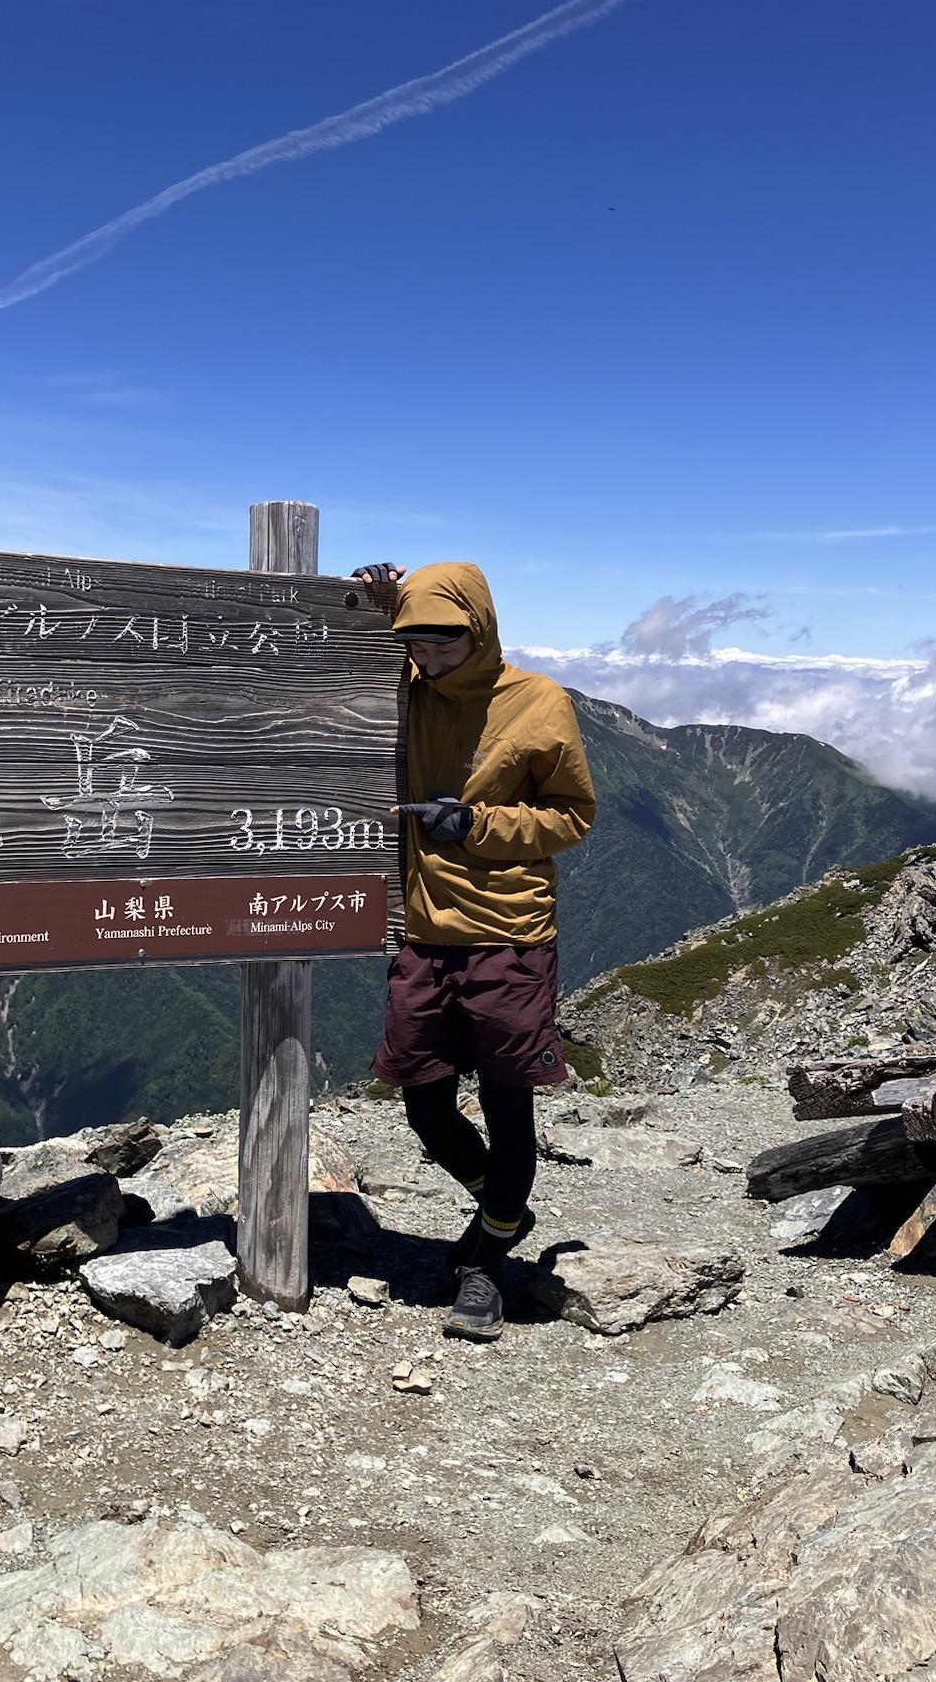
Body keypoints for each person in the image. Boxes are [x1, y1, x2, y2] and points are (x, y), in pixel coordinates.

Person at [353, 559, 596, 1341]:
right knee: (424, 1099)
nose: (429, 660)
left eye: (445, 645)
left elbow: (573, 816)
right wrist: (382, 595)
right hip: (425, 930)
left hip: (509, 934)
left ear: (480, 629)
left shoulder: (538, 700)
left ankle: (486, 1265)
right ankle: (506, 1209)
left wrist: (482, 826)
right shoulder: (412, 692)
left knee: (505, 1100)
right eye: (415, 644)